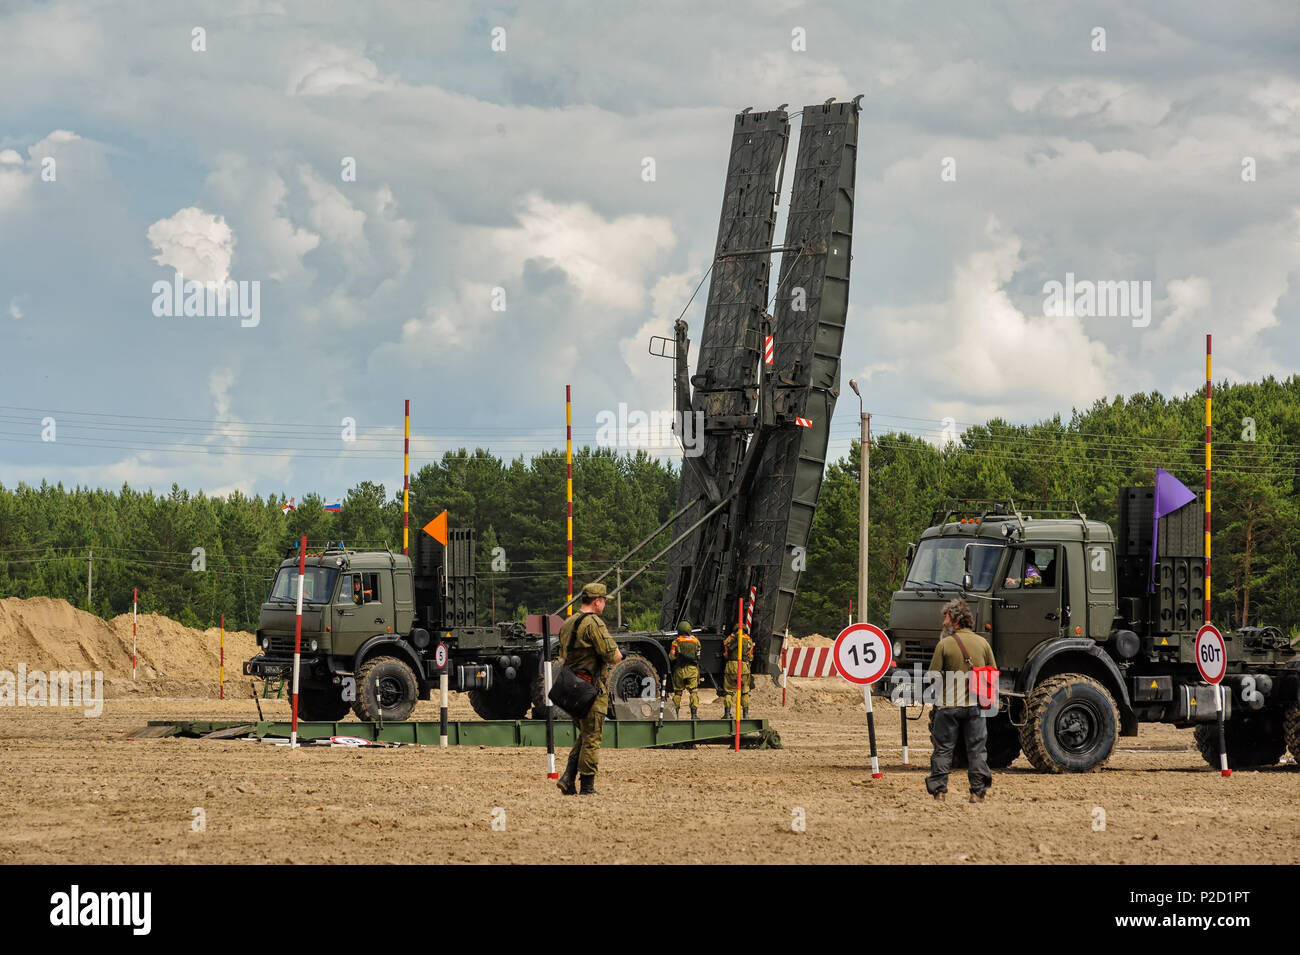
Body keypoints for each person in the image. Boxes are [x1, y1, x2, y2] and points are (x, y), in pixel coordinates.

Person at [925, 597, 997, 803]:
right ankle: (977, 793)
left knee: (943, 749)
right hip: (976, 707)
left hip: (948, 707)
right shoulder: (983, 643)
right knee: (977, 751)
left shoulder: (944, 644)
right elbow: (993, 672)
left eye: (947, 618)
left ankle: (939, 792)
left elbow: (932, 677)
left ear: (956, 620)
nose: (944, 622)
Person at [555, 582, 623, 796]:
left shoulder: (568, 622)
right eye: (604, 601)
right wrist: (619, 654)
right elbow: (613, 656)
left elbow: (562, 655)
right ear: (597, 601)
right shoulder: (594, 623)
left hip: (571, 689)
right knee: (592, 738)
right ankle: (587, 786)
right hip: (591, 689)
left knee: (585, 735)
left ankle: (568, 778)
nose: (604, 605)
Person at [669, 621, 702, 719]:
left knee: (678, 693)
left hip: (680, 670)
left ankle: (675, 715)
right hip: (692, 670)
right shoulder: (696, 641)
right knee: (693, 692)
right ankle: (694, 715)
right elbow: (698, 657)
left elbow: (671, 657)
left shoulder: (676, 642)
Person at [722, 627, 754, 720]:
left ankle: (727, 714)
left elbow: (725, 654)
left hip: (731, 667)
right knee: (744, 692)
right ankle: (745, 714)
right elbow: (750, 656)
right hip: (743, 667)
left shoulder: (730, 639)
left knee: (729, 691)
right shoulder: (749, 640)